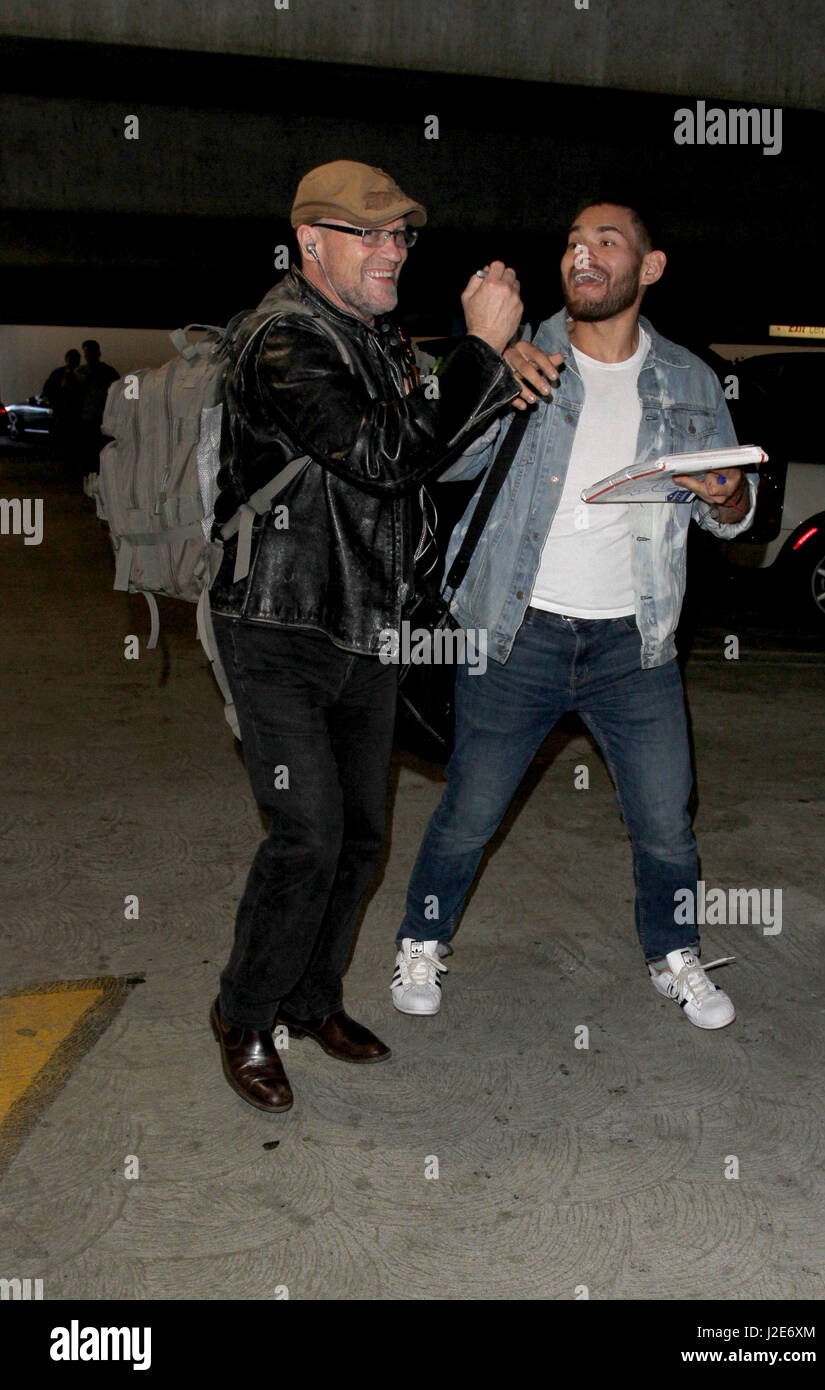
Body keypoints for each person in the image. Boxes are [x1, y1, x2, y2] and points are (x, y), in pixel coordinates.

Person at [390, 197, 757, 1032]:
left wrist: (733, 497)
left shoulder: (691, 381)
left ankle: (673, 951)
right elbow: (438, 462)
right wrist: (486, 375)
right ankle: (421, 938)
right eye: (570, 243)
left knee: (666, 819)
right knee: (470, 811)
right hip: (517, 635)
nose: (581, 256)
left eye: (606, 242)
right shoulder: (523, 355)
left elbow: (727, 509)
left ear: (649, 267)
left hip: (637, 643)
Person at [207, 160, 523, 1113]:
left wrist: (496, 383)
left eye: (402, 236)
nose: (395, 251)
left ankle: (310, 998)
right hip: (279, 622)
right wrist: (478, 350)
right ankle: (244, 1013)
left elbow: (427, 443)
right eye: (372, 234)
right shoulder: (280, 339)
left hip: (369, 627)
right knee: (307, 833)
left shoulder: (378, 337)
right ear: (312, 244)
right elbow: (381, 456)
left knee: (362, 837)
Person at [74, 340, 119, 478]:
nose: (88, 354)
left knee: (99, 450)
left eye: (90, 351)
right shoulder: (80, 372)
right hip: (86, 418)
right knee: (88, 450)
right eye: (87, 351)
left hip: (100, 418)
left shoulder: (106, 372)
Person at [42, 349, 83, 462]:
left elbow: (47, 390)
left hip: (67, 411)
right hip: (69, 411)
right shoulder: (79, 373)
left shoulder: (61, 373)